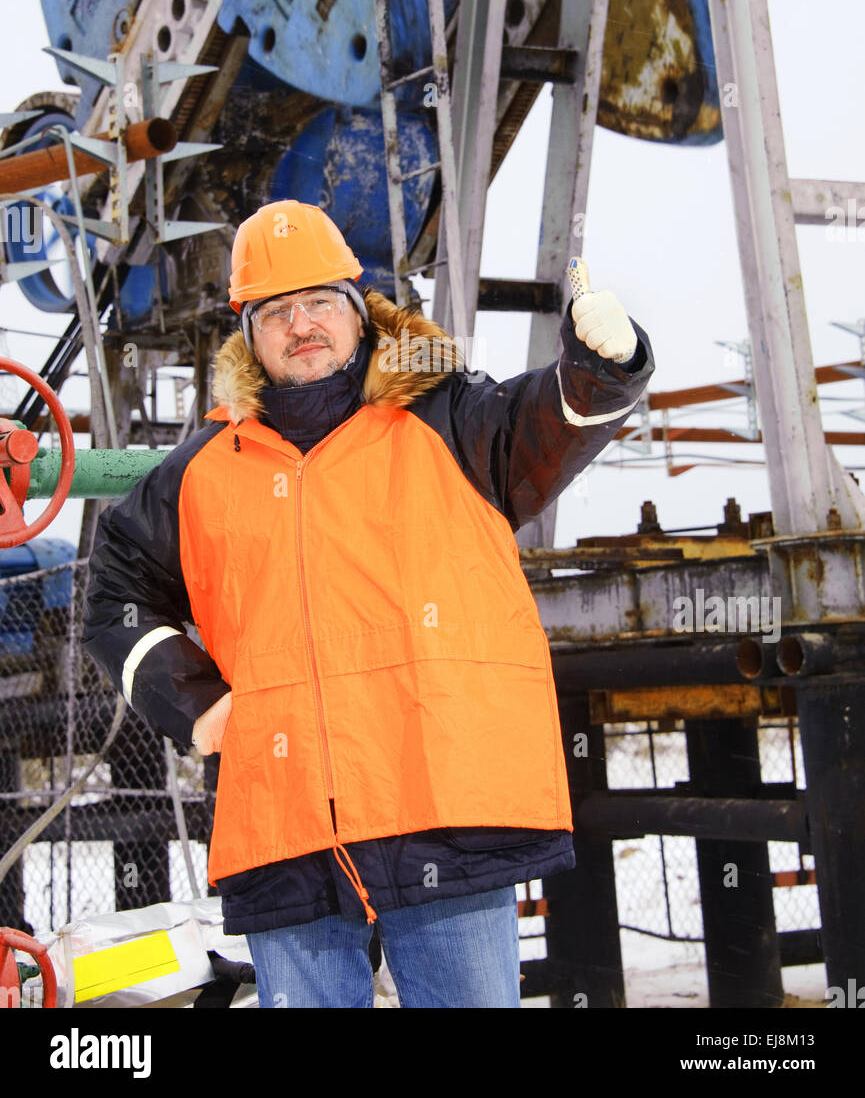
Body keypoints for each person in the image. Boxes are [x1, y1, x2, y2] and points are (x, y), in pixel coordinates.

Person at [82, 198, 654, 1008]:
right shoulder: (201, 471)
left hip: (446, 806)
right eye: (276, 310)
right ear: (248, 334)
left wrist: (603, 369)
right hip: (285, 824)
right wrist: (197, 704)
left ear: (359, 313)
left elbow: (547, 423)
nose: (301, 324)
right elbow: (113, 591)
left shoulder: (449, 418)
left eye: (319, 301)